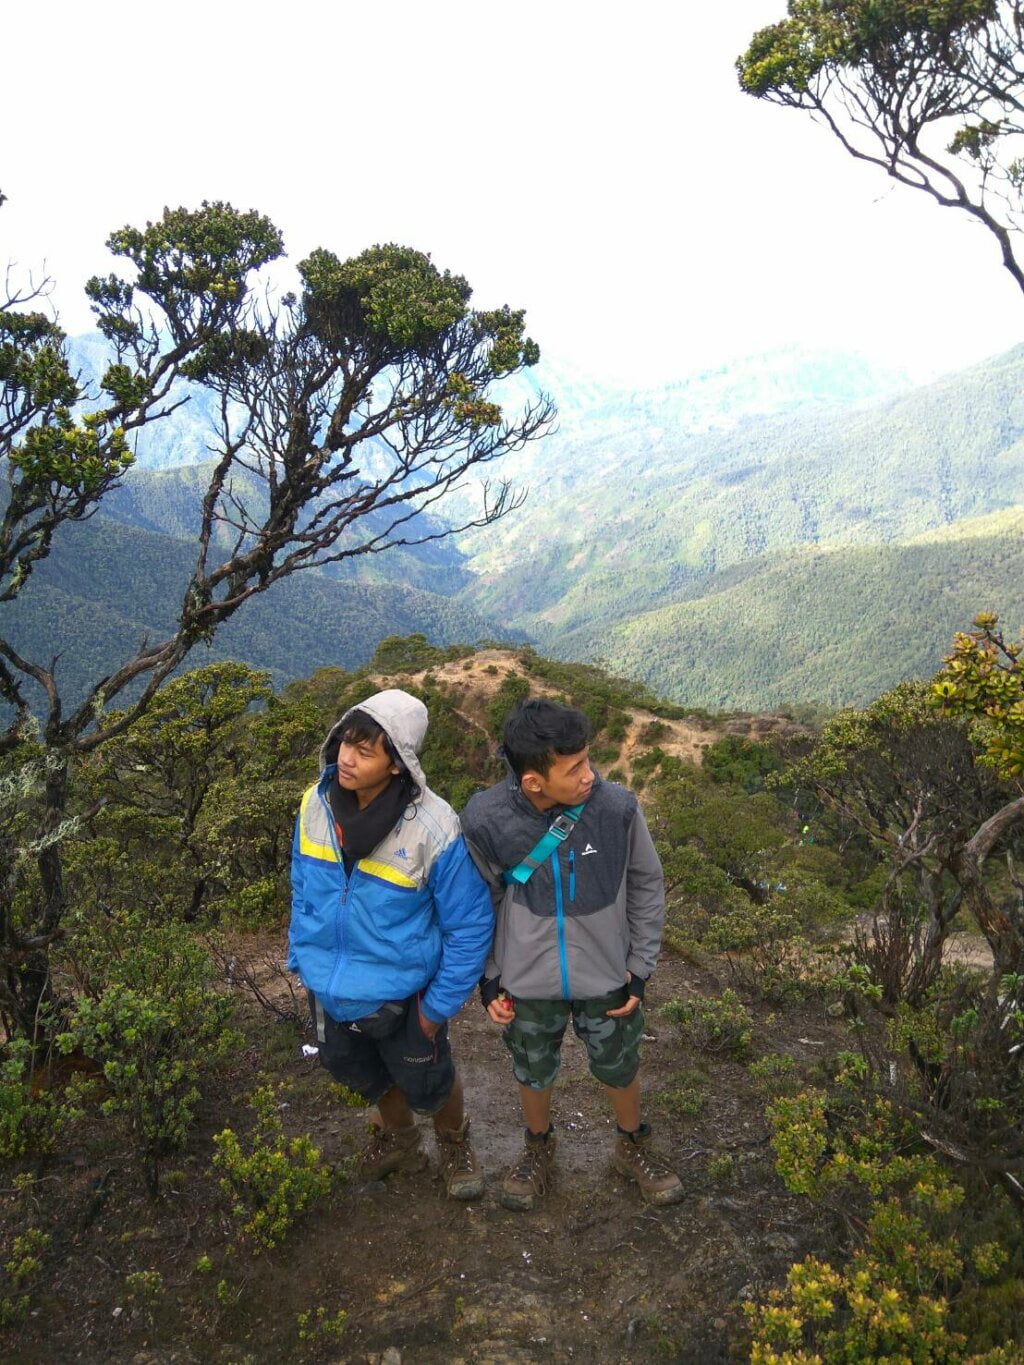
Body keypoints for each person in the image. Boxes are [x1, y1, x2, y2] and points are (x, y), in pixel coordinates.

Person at [460, 697, 683, 1210]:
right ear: (533, 782)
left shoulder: (616, 809)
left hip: (607, 975)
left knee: (619, 1063)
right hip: (526, 980)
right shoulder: (486, 820)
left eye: (587, 759)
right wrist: (490, 976)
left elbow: (647, 882)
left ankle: (633, 1143)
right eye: (575, 767)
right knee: (532, 1066)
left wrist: (640, 967)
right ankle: (539, 1146)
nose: (590, 774)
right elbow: (479, 901)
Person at [288, 688, 492, 1199]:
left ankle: (453, 1141)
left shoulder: (433, 827)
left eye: (364, 750)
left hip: (404, 994)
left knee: (429, 1079)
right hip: (329, 984)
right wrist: (301, 953)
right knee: (360, 1071)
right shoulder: (316, 804)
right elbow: (301, 882)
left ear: (397, 764)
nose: (346, 759)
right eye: (343, 744)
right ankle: (400, 1139)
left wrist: (437, 1008)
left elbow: (467, 925)